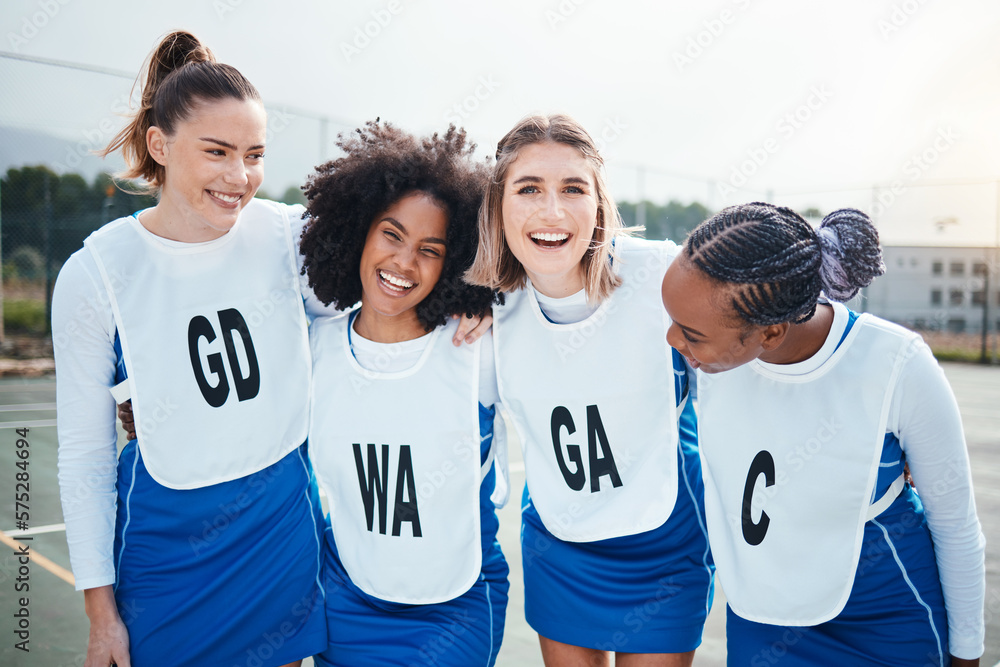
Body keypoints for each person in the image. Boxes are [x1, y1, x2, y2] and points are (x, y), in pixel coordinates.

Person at [659, 202, 986, 666]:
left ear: (770, 334)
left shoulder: (896, 364)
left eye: (690, 333)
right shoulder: (710, 348)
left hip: (884, 620)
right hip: (763, 617)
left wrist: (967, 655)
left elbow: (955, 525)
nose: (672, 339)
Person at [466, 114, 714, 667]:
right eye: (528, 189)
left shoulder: (664, 278)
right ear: (497, 205)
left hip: (664, 537)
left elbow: (762, 343)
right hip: (561, 538)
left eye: (573, 189)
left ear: (599, 203)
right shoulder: (485, 307)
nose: (552, 212)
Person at [298, 120, 509, 666]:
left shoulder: (479, 346)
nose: (404, 263)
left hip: (456, 605)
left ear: (453, 262)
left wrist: (490, 301)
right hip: (344, 594)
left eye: (430, 249)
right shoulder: (311, 346)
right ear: (358, 230)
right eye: (392, 234)